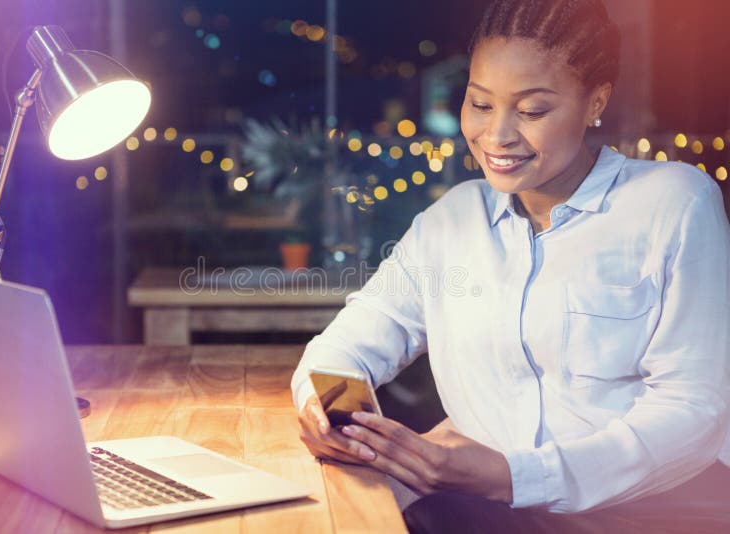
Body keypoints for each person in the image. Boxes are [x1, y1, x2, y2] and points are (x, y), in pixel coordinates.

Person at [290, 0, 730, 532]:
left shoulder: (674, 202)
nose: (497, 135)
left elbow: (695, 411)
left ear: (596, 102)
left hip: (654, 513)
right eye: (479, 104)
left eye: (532, 111)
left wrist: (516, 476)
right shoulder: (451, 222)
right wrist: (323, 408)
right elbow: (348, 345)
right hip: (492, 510)